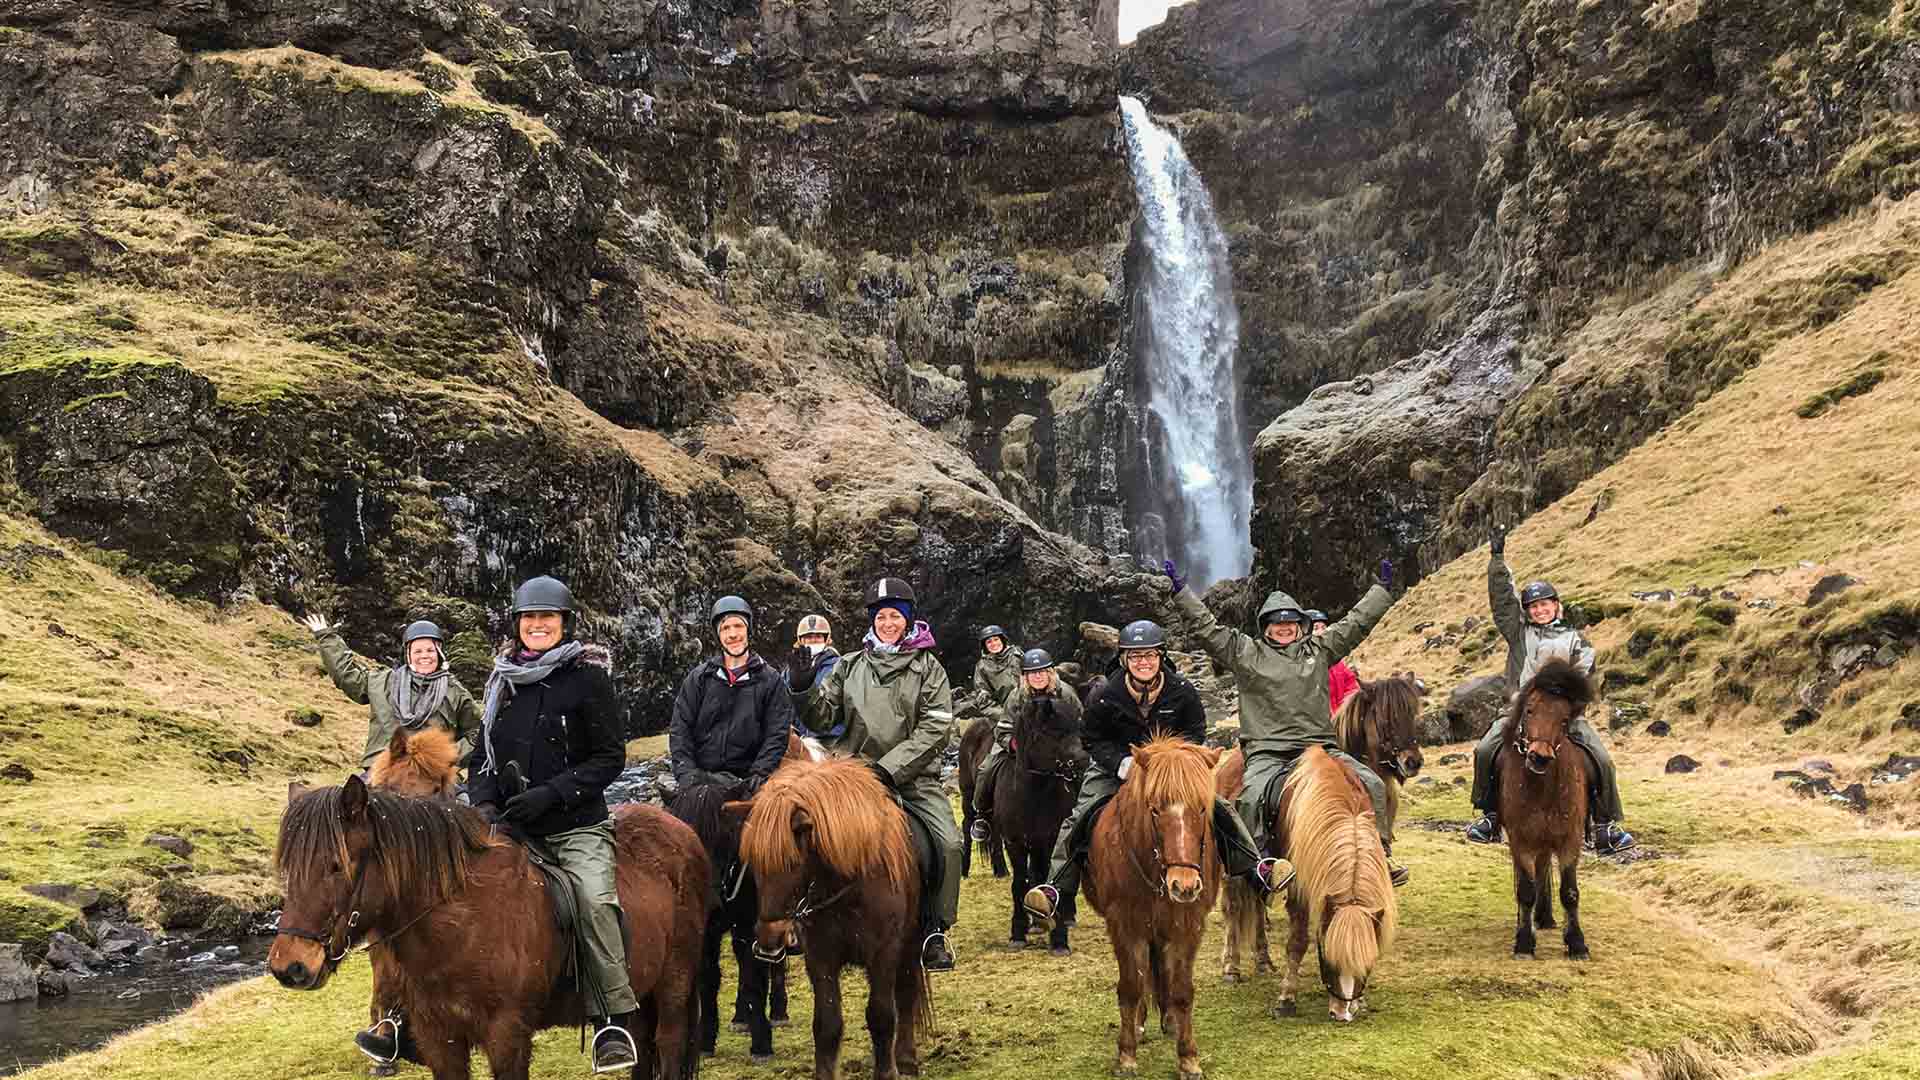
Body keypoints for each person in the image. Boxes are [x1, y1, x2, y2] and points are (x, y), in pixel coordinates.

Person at [467, 575, 639, 1074]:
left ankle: (612, 1018)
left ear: (565, 624)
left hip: (573, 826)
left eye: (547, 617)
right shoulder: (500, 682)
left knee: (594, 899)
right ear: (517, 624)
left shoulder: (588, 679)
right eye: (529, 617)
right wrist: (483, 804)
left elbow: (610, 758)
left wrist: (551, 794)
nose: (537, 624)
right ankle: (422, 1014)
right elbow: (483, 756)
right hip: (510, 827)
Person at [1023, 619, 1294, 925]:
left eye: (1150, 655)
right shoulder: (1105, 694)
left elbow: (1195, 731)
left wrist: (1177, 764)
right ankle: (1056, 890)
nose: (1143, 662)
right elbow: (1092, 738)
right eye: (1136, 656)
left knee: (1219, 807)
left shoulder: (1182, 691)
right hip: (1120, 768)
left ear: (1161, 657)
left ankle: (1258, 871)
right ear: (1124, 659)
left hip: (1172, 772)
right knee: (1082, 813)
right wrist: (1121, 763)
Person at [1172, 559, 1410, 887]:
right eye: (1276, 624)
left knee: (1371, 781)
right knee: (1251, 795)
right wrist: (1182, 593)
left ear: (1301, 625)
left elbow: (1356, 623)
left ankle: (1380, 851)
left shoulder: (1321, 648)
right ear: (1265, 627)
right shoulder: (1245, 652)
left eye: (1290, 623)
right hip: (1268, 751)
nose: (1283, 628)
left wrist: (1382, 592)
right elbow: (1208, 630)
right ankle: (1259, 863)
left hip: (1319, 747)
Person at [786, 577, 962, 971]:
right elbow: (823, 715)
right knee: (805, 832)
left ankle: (935, 927)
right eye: (881, 617)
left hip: (914, 780)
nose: (887, 623)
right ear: (873, 621)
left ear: (908, 620)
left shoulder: (929, 668)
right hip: (852, 776)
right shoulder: (849, 665)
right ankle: (800, 916)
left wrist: (889, 769)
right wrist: (802, 689)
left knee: (949, 844)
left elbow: (935, 729)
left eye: (894, 617)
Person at [1466, 528, 1634, 853]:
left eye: (1546, 604)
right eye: (1534, 606)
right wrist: (1497, 560)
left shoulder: (1576, 641)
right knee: (1484, 751)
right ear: (1527, 612)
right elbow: (1502, 601)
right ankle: (1489, 818)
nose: (1540, 610)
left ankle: (1605, 826)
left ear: (1557, 607)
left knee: (1602, 760)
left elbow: (1582, 679)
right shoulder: (1518, 634)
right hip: (1519, 714)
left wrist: (1564, 707)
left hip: (1563, 717)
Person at [304, 614, 480, 774]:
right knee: (346, 805)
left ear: (439, 653)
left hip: (434, 773)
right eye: (418, 651)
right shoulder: (383, 682)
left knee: (464, 806)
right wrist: (326, 636)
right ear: (408, 654)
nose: (424, 656)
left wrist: (446, 757)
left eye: (430, 650)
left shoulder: (454, 691)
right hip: (383, 770)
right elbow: (347, 675)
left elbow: (476, 733)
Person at [670, 596, 794, 799]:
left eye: (738, 626)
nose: (733, 634)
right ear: (718, 636)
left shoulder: (770, 680)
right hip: (700, 780)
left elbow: (777, 734)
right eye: (725, 628)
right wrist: (687, 774)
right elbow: (680, 729)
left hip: (748, 782)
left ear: (749, 630)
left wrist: (760, 773)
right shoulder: (699, 678)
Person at [968, 625, 1029, 840]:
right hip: (1003, 721)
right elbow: (983, 700)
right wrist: (1006, 714)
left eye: (996, 640)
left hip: (1030, 714)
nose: (993, 644)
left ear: (1003, 640)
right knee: (986, 768)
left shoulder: (1019, 657)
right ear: (985, 646)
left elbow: (1034, 680)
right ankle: (981, 815)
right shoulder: (982, 667)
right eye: (989, 642)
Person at [1308, 610, 1362, 717]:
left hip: (1342, 722)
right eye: (1315, 628)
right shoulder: (1304, 667)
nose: (1321, 632)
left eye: (1324, 627)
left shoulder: (1339, 664)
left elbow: (1352, 686)